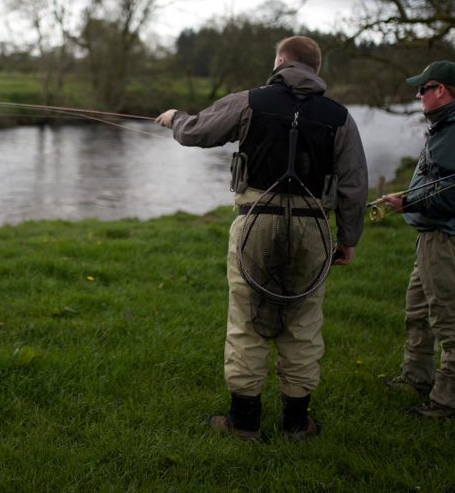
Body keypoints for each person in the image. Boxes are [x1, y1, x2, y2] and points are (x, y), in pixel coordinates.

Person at [156, 36, 368, 441]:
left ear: (281, 61)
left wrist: (175, 118)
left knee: (247, 321)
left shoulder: (249, 100)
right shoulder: (340, 117)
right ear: (315, 69)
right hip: (314, 229)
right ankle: (296, 424)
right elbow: (355, 185)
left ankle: (244, 422)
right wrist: (349, 238)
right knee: (304, 322)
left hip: (255, 221)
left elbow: (197, 132)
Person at [377, 60, 455, 419]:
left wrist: (407, 202)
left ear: (440, 90)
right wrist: (411, 194)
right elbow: (446, 179)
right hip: (440, 234)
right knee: (418, 309)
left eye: (422, 89)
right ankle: (417, 376)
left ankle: (450, 400)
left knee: (451, 318)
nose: (417, 96)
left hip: (450, 236)